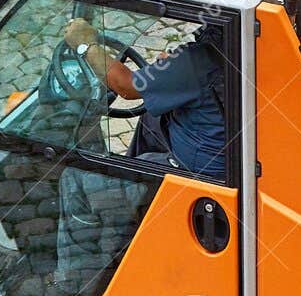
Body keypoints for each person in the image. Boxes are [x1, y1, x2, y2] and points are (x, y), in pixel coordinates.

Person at [62, 16, 228, 180]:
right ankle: (132, 166)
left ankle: (132, 181)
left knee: (74, 178)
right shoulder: (229, 47)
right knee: (151, 117)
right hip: (222, 145)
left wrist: (85, 45)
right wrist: (174, 69)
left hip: (200, 169)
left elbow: (126, 87)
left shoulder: (199, 60)